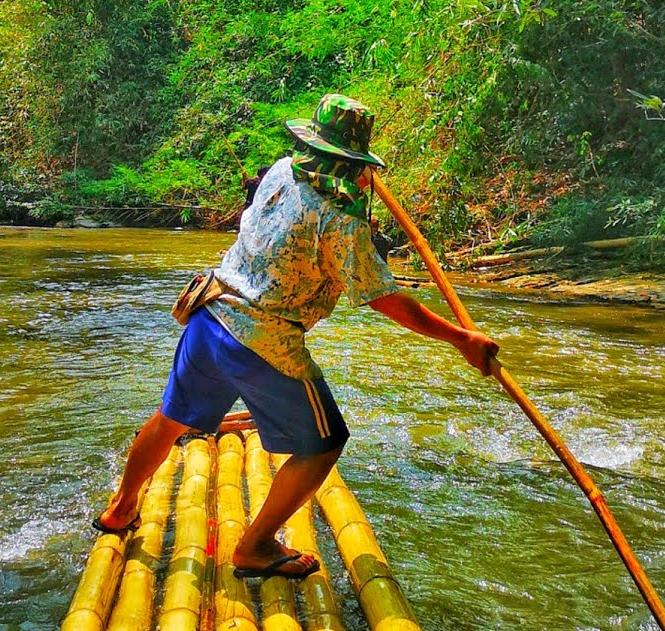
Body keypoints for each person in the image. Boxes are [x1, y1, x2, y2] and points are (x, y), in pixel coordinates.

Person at [94, 94, 498, 579]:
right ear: (352, 162)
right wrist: (461, 339)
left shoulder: (281, 171)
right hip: (262, 342)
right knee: (325, 444)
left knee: (171, 418)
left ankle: (121, 508)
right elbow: (385, 299)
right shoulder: (341, 222)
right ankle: (255, 545)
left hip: (211, 312)